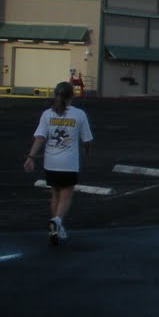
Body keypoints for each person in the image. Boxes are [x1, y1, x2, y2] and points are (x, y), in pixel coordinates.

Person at [23, 81, 94, 245]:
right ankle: (57, 220)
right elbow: (87, 139)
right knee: (67, 195)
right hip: (68, 163)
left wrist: (31, 157)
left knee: (55, 193)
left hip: (50, 162)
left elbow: (40, 137)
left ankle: (55, 229)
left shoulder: (47, 114)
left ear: (56, 94)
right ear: (72, 96)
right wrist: (88, 152)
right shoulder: (79, 115)